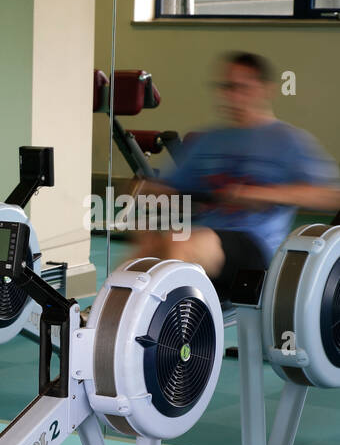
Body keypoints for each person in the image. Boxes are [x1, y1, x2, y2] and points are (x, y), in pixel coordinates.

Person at [128, 52, 340, 297]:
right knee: (142, 256)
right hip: (206, 237)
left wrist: (260, 194)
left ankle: (172, 328)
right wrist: (145, 192)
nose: (233, 96)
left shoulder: (288, 140)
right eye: (227, 87)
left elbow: (330, 197)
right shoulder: (208, 140)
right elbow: (169, 188)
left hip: (255, 247)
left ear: (265, 89)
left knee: (178, 243)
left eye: (243, 87)